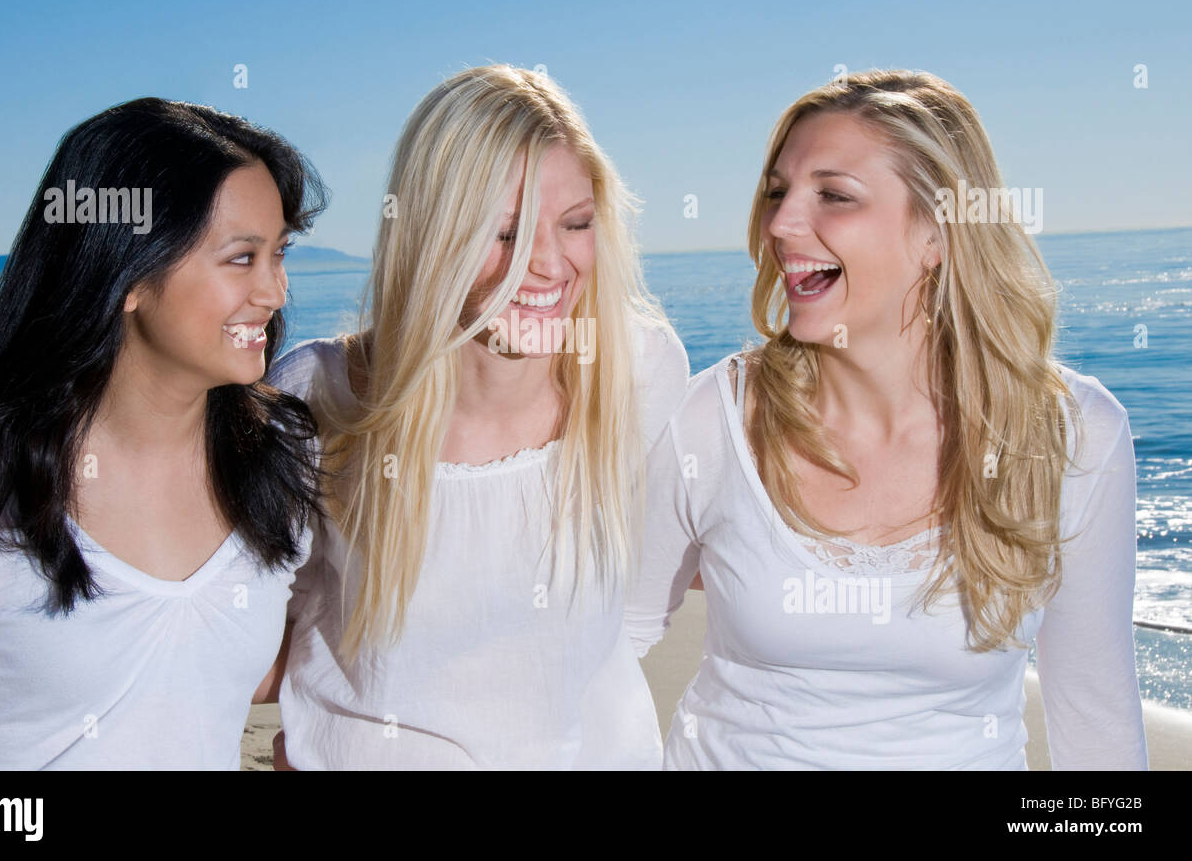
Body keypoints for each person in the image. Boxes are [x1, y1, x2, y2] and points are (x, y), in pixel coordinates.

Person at [625, 69, 1148, 770]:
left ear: (938, 232)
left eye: (834, 195)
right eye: (778, 192)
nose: (780, 224)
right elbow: (605, 648)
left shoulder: (1077, 438)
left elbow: (1097, 722)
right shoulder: (711, 420)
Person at [268, 65, 689, 769]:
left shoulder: (641, 370)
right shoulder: (316, 397)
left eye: (577, 223)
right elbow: (247, 631)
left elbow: (641, 606)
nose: (549, 264)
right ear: (430, 237)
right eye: (505, 234)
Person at [0, 98, 328, 769]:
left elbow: (204, 660)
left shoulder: (276, 457)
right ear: (129, 273)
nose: (275, 291)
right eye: (242, 258)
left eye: (279, 254)